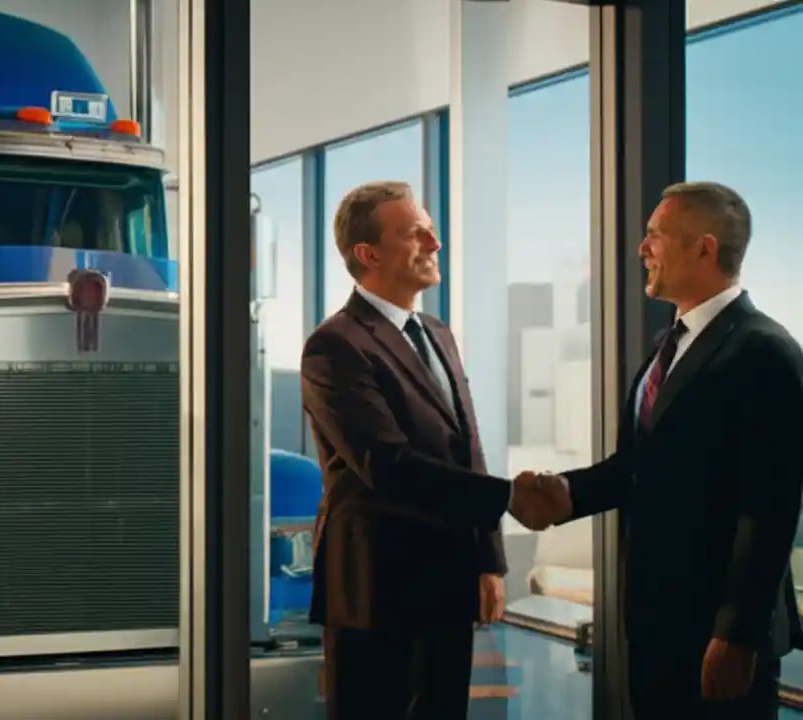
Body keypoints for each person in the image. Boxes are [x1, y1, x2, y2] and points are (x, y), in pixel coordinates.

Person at [513, 181, 803, 718]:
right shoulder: (668, 347)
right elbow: (639, 467)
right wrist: (568, 493)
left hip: (716, 637)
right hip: (656, 627)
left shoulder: (766, 351)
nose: (642, 248)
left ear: (705, 249)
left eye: (655, 235)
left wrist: (736, 635)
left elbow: (771, 510)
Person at [300, 180, 553, 719]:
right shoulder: (335, 345)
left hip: (448, 582)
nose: (435, 244)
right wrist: (510, 497)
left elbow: (467, 446)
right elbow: (387, 465)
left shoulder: (437, 333)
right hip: (375, 589)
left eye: (431, 231)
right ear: (369, 254)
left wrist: (489, 561)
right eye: (415, 233)